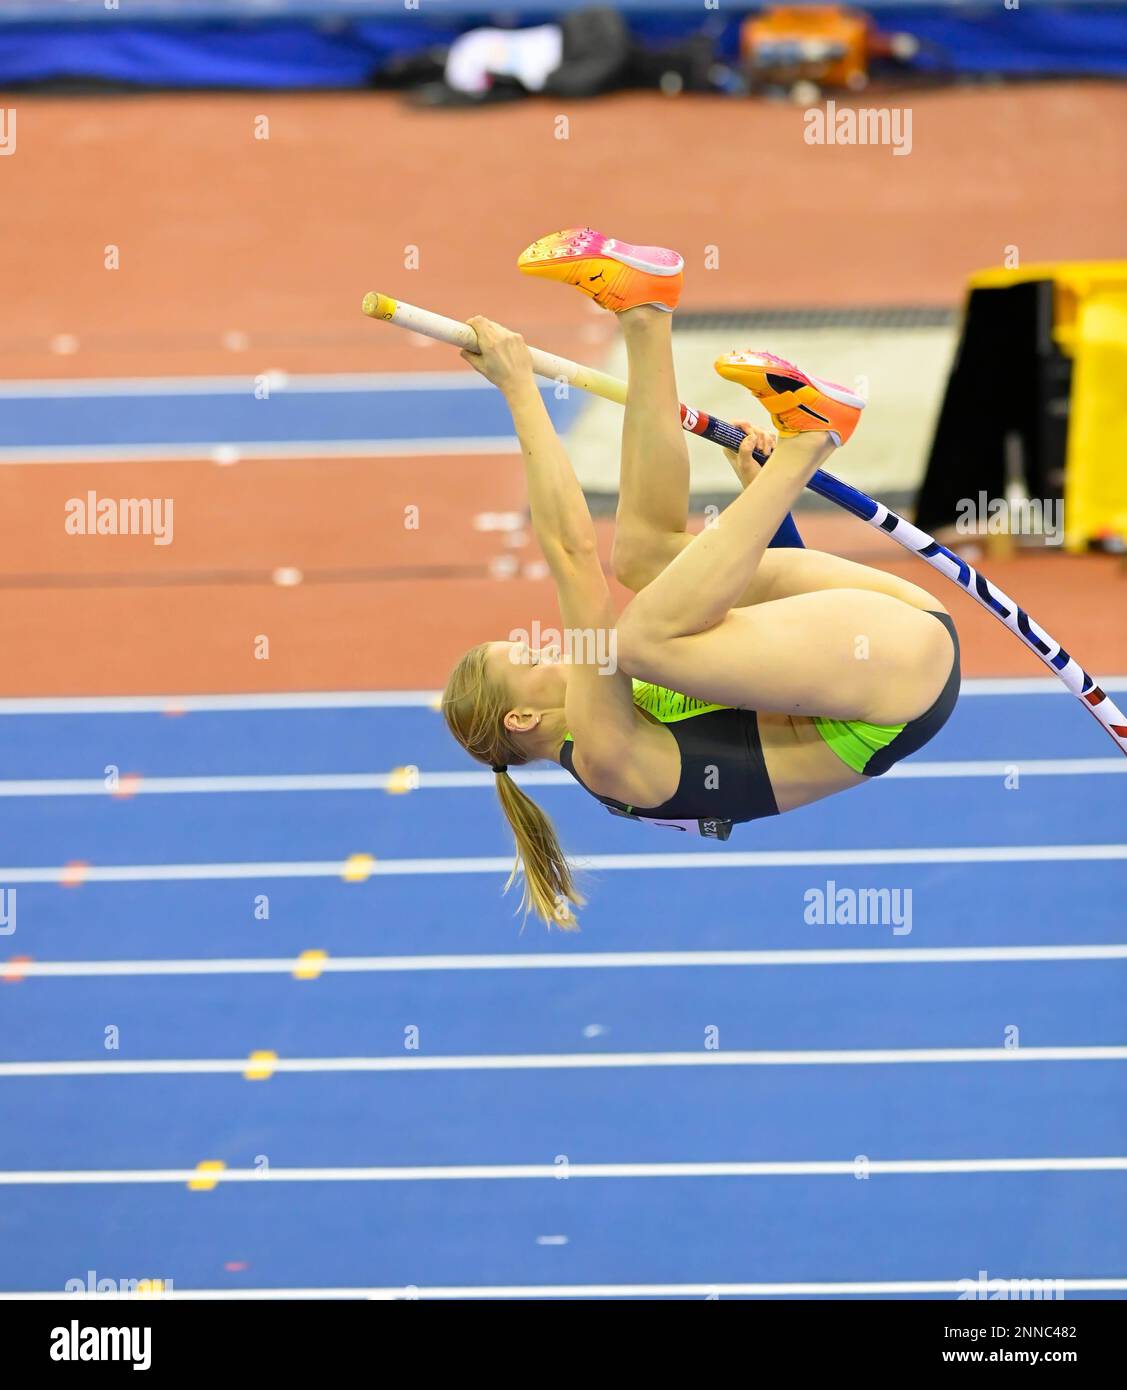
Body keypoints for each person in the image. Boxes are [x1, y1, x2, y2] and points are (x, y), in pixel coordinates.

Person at [443, 229, 959, 928]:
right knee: (637, 638)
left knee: (644, 559)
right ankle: (810, 437)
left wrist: (764, 508)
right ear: (523, 719)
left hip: (878, 642)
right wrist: (518, 390)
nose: (552, 649)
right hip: (900, 681)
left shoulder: (621, 723)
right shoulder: (604, 759)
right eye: (530, 659)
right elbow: (569, 553)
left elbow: (793, 658)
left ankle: (645, 311)